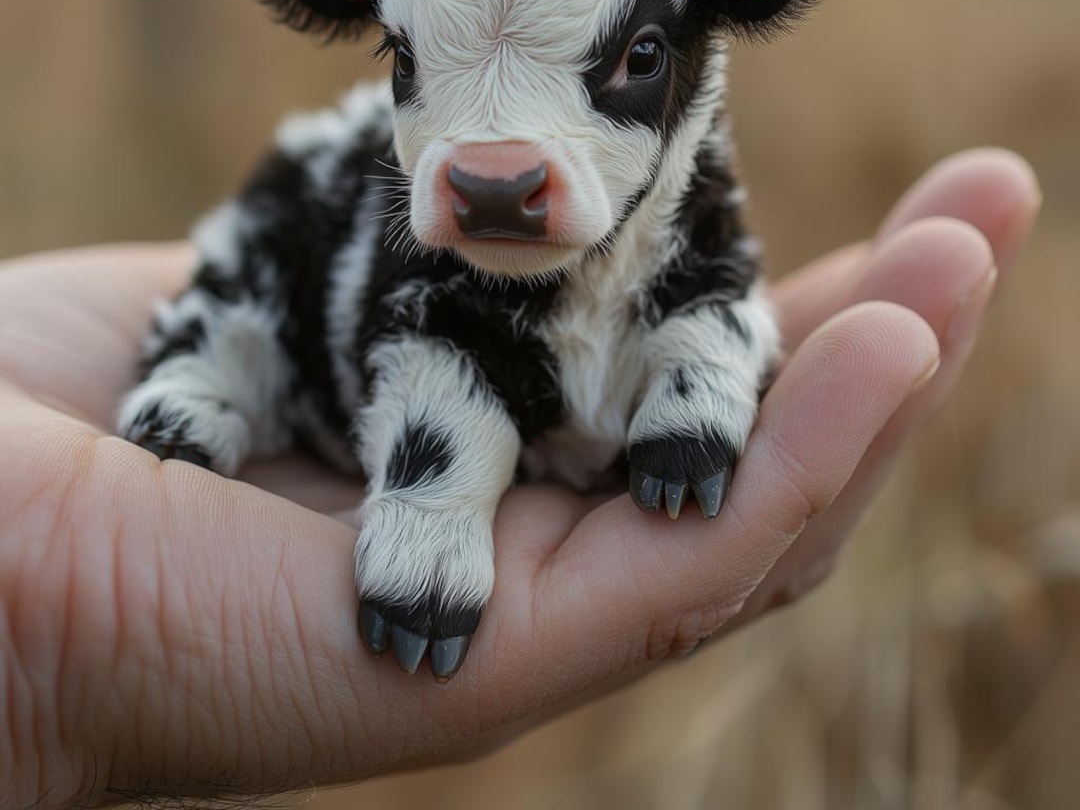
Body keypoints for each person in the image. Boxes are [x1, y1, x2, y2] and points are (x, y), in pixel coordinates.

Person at [0, 148, 1039, 809]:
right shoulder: (373, 192)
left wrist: (700, 389)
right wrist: (45, 632)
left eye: (630, 57)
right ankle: (206, 373)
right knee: (288, 287)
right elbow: (430, 347)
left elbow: (722, 303)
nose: (502, 148)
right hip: (323, 317)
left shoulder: (693, 226)